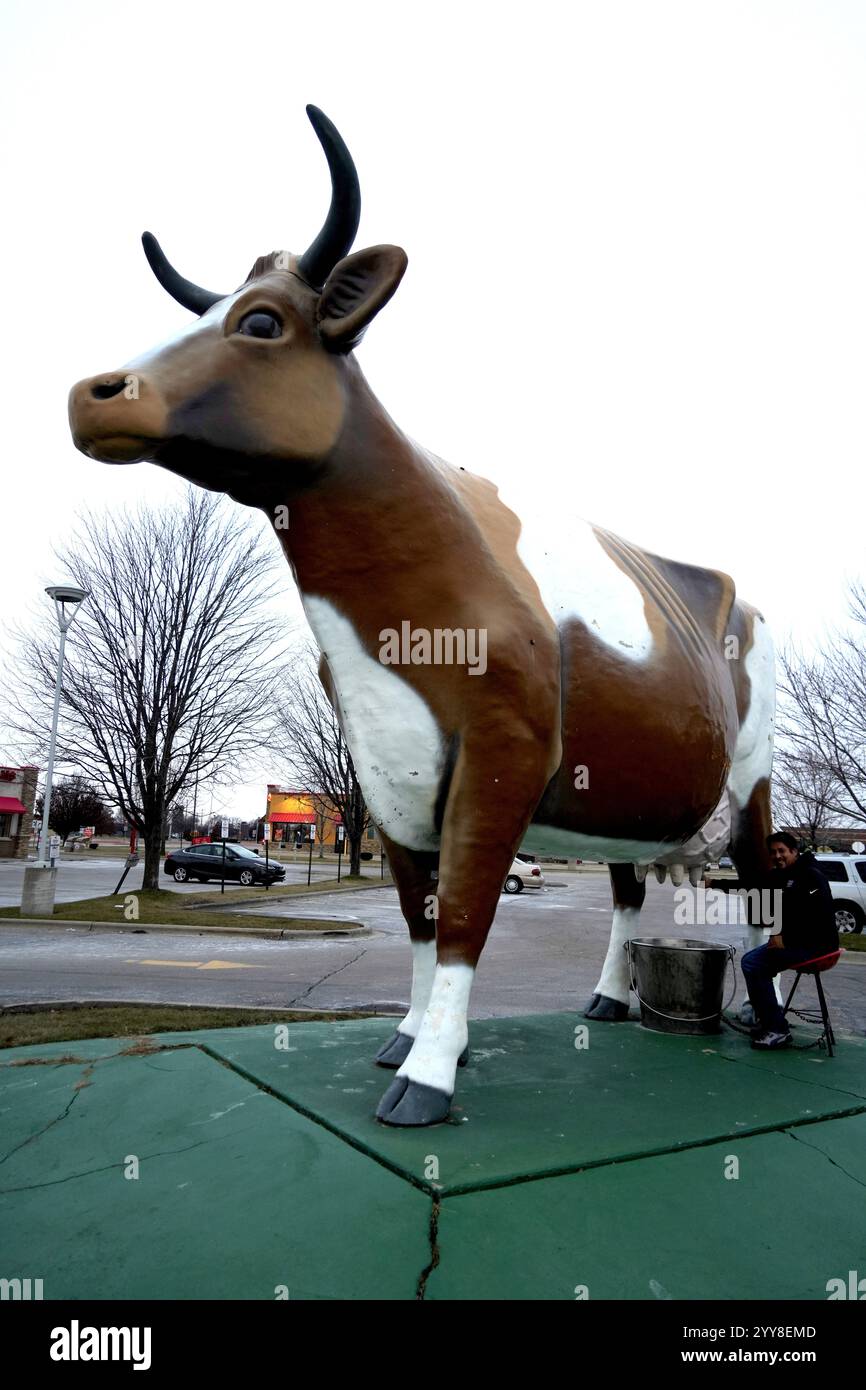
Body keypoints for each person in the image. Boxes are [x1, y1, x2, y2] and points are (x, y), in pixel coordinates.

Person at [740, 831, 838, 1050]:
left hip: (816, 948)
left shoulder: (810, 876)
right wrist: (713, 883)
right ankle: (771, 1022)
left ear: (794, 851)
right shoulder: (784, 875)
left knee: (753, 964)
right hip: (799, 944)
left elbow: (817, 915)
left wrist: (786, 937)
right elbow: (752, 885)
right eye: (773, 852)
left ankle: (777, 1029)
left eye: (782, 851)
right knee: (752, 961)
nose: (777, 856)